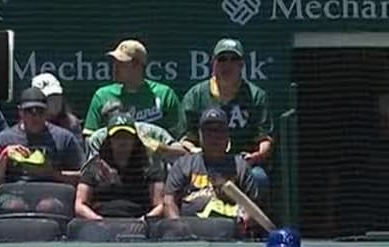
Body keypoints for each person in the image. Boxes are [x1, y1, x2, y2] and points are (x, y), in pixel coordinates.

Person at [180, 38, 273, 191]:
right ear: (213, 63)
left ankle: (247, 216)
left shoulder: (256, 96)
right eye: (222, 59)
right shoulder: (196, 95)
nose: (227, 65)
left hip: (241, 163)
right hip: (204, 163)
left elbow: (265, 139)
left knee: (259, 178)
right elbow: (185, 139)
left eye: (233, 59)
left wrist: (256, 156)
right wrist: (195, 151)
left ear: (241, 65)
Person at [75, 112, 166, 220]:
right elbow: (80, 204)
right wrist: (97, 219)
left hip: (138, 226)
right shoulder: (94, 167)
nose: (122, 142)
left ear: (135, 140)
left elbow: (160, 205)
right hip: (99, 224)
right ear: (109, 140)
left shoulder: (149, 168)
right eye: (117, 137)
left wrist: (144, 220)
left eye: (127, 137)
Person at [84, 40, 184, 137]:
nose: (115, 67)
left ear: (138, 65)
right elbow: (90, 137)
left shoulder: (164, 95)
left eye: (121, 63)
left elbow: (178, 136)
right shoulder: (102, 96)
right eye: (115, 62)